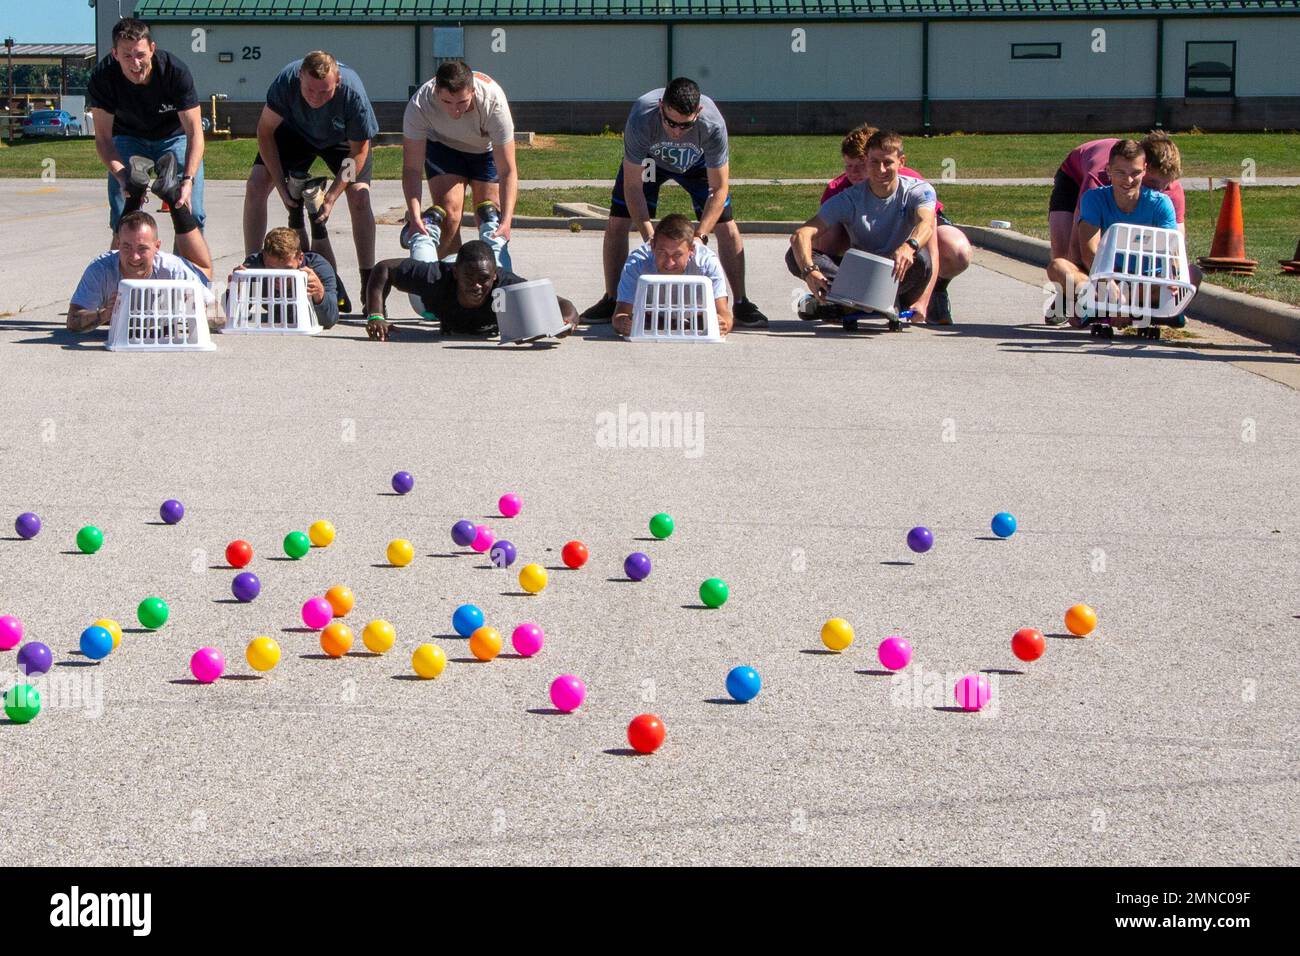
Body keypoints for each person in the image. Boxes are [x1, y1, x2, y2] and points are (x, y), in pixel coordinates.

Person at [580, 78, 766, 328]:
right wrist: (649, 236)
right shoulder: (641, 116)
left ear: (698, 113)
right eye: (671, 122)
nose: (677, 131)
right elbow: (633, 187)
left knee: (726, 225)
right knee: (617, 220)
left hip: (697, 161)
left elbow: (719, 189)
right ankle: (613, 298)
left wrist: (700, 236)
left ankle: (741, 302)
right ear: (660, 107)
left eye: (685, 125)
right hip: (652, 159)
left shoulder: (712, 124)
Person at [241, 51, 379, 314]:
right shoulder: (285, 83)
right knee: (256, 184)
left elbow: (358, 151)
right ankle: (253, 271)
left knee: (360, 197)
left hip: (342, 141)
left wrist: (332, 197)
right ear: (299, 77)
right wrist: (281, 187)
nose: (316, 98)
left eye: (324, 92)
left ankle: (368, 281)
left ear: (337, 81)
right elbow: (265, 132)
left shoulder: (353, 94)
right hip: (295, 134)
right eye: (310, 91)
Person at [803, 124, 971, 324]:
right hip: (868, 248)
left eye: (861, 166)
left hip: (906, 240)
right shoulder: (839, 191)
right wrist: (810, 270)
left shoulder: (911, 183)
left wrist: (923, 300)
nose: (855, 174)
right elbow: (807, 235)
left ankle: (936, 292)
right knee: (820, 238)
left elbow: (930, 245)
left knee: (955, 248)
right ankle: (840, 293)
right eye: (849, 167)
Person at [86, 18, 212, 270]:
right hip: (128, 138)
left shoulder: (175, 71)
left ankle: (184, 277)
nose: (135, 63)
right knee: (123, 211)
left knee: (191, 210)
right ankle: (121, 285)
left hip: (173, 136)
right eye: (126, 56)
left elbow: (195, 133)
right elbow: (103, 139)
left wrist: (187, 180)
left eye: (141, 55)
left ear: (152, 49)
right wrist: (123, 178)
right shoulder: (103, 77)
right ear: (114, 54)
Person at [1045, 139, 1200, 327]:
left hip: (1139, 279)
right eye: (1121, 173)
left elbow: (1175, 246)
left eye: (1135, 174)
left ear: (1143, 170)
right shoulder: (1094, 192)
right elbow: (1083, 249)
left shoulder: (1164, 199)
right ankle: (1078, 300)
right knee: (1060, 263)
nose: (1128, 181)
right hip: (1104, 275)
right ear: (1109, 171)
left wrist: (1174, 274)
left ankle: (1134, 308)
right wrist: (1105, 284)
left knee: (1192, 273)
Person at [789, 130, 936, 319]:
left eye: (888, 162)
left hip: (897, 272)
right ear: (866, 160)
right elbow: (800, 235)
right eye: (874, 162)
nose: (881, 169)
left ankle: (843, 302)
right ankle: (857, 300)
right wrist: (810, 270)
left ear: (901, 162)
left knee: (923, 259)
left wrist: (910, 245)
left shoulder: (918, 190)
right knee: (796, 256)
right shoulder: (849, 198)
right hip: (858, 273)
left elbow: (926, 224)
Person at [400, 61, 517, 270]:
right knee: (449, 216)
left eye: (462, 102)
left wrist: (506, 221)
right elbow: (411, 169)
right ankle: (450, 285)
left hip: (484, 151)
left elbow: (508, 171)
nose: (455, 111)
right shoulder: (420, 104)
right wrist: (415, 215)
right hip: (443, 147)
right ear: (436, 91)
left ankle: (488, 285)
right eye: (446, 102)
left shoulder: (493, 101)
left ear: (472, 91)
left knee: (489, 218)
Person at [363, 240, 577, 341]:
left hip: (475, 264)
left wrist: (566, 322)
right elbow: (384, 268)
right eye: (469, 279)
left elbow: (563, 305)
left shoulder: (507, 287)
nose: (476, 286)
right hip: (429, 305)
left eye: (484, 279)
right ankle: (426, 230)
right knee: (423, 255)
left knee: (494, 254)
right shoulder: (435, 277)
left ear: (494, 277)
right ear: (456, 274)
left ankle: (491, 224)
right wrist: (375, 315)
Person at [1048, 131, 1186, 265]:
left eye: (1165, 186)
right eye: (1152, 185)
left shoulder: (1171, 189)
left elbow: (1176, 246)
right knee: (1063, 254)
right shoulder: (1100, 181)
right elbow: (1077, 247)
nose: (1159, 191)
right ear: (1142, 170)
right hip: (1074, 176)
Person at [66, 211, 210, 333]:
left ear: (157, 246)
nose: (134, 257)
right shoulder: (100, 270)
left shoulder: (174, 269)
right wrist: (103, 314)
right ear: (117, 245)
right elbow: (73, 320)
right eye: (127, 247)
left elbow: (219, 314)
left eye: (142, 249)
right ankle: (132, 198)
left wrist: (199, 309)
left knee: (205, 270)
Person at [612, 213, 732, 337]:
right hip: (651, 317)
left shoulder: (707, 263)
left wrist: (722, 324)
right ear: (652, 246)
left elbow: (724, 312)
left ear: (691, 250)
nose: (669, 263)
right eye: (662, 253)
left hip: (697, 317)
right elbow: (621, 313)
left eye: (677, 255)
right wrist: (623, 323)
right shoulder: (636, 263)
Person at [235, 227, 340, 330]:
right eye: (272, 268)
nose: (279, 276)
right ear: (263, 258)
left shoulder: (318, 269)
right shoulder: (254, 267)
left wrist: (320, 295)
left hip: (306, 316)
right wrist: (235, 292)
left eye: (287, 268)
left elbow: (330, 320)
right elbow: (232, 317)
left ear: (300, 258)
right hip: (276, 316)